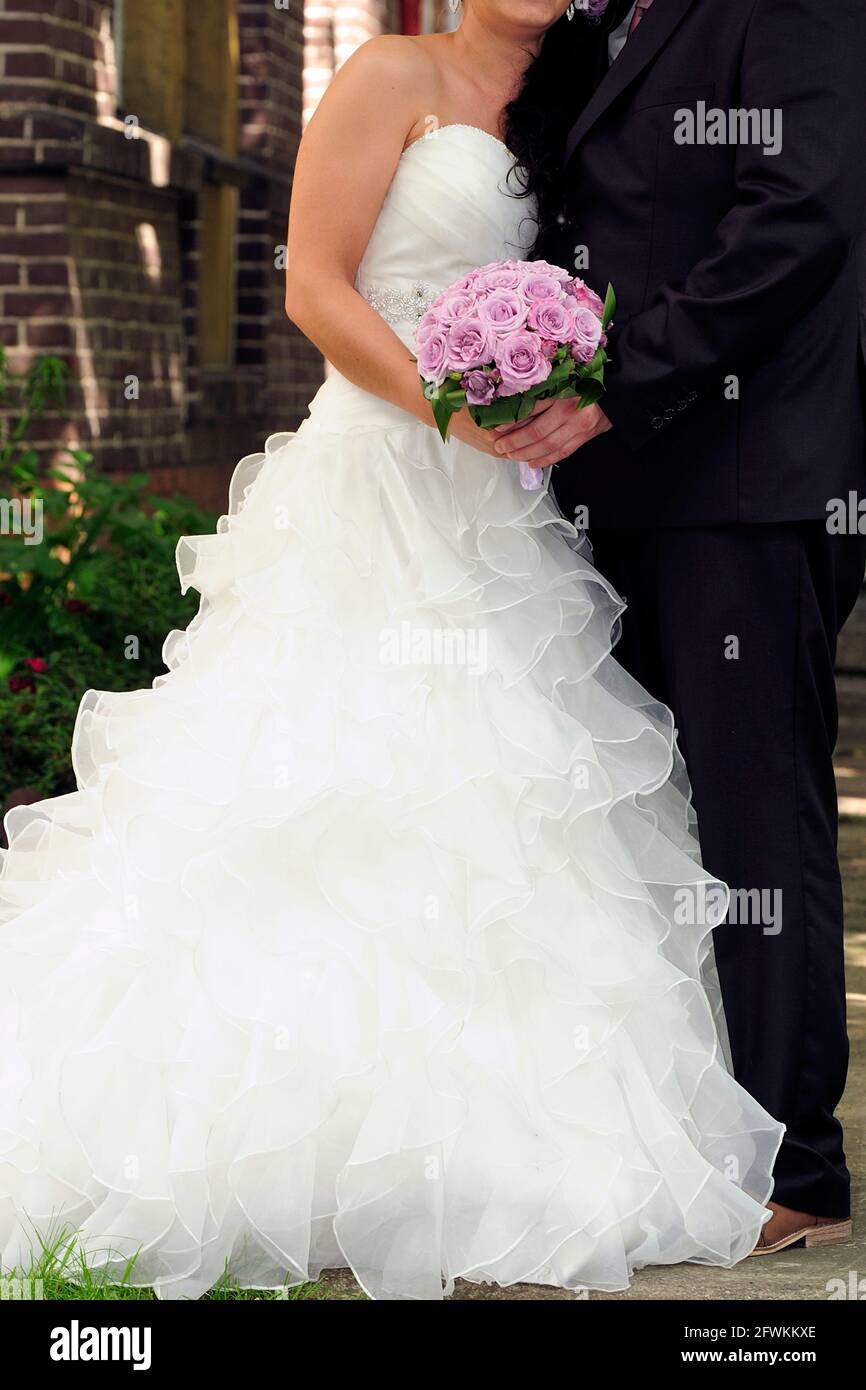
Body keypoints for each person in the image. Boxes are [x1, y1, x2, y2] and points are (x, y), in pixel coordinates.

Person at [0, 2, 782, 1301]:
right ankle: (269, 1140)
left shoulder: (573, 107)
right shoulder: (387, 69)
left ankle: (475, 1153)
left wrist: (532, 398)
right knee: (324, 783)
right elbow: (312, 283)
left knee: (507, 806)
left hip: (500, 508)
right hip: (376, 476)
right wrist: (446, 404)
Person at [495, 0, 866, 1254]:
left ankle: (797, 1171)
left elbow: (799, 210)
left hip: (745, 481)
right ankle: (675, 1135)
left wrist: (616, 381)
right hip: (625, 485)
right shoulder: (608, 20)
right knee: (647, 824)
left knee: (756, 827)